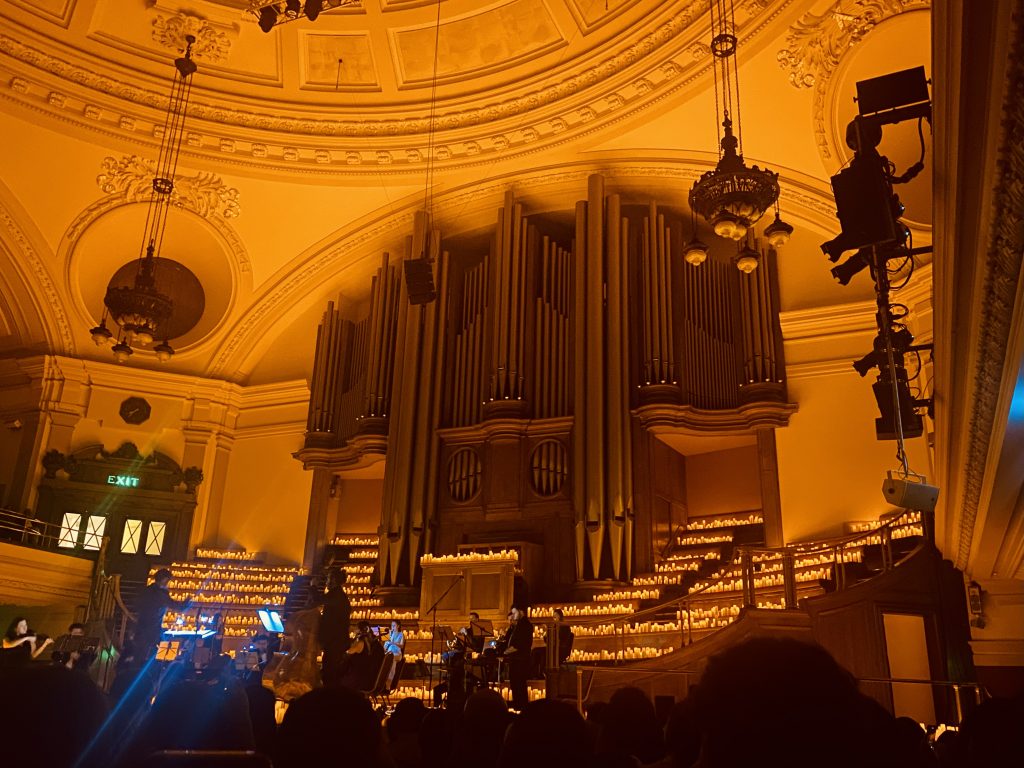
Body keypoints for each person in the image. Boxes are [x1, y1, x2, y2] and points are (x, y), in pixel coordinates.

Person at [132, 568, 183, 660]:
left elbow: (137, 605)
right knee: (158, 653)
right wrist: (186, 603)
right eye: (168, 581)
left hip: (141, 626)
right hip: (152, 629)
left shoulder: (146, 590)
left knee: (140, 655)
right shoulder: (160, 594)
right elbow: (174, 605)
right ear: (164, 580)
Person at [319, 568, 351, 687]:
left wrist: (313, 587)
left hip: (335, 641)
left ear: (333, 580)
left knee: (330, 673)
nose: (326, 581)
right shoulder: (338, 594)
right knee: (329, 671)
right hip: (335, 641)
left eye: (328, 578)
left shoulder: (336, 594)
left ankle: (331, 698)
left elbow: (318, 601)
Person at [501, 603, 533, 711]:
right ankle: (518, 706)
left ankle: (521, 707)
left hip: (520, 659)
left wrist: (505, 652)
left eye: (514, 613)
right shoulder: (519, 625)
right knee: (515, 684)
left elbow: (518, 645)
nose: (513, 615)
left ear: (521, 611)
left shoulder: (525, 625)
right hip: (515, 659)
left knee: (519, 685)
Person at [339, 619, 385, 691]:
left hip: (360, 680)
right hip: (371, 678)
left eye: (356, 628)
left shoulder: (361, 642)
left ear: (360, 631)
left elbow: (348, 653)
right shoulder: (374, 643)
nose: (354, 630)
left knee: (337, 679)